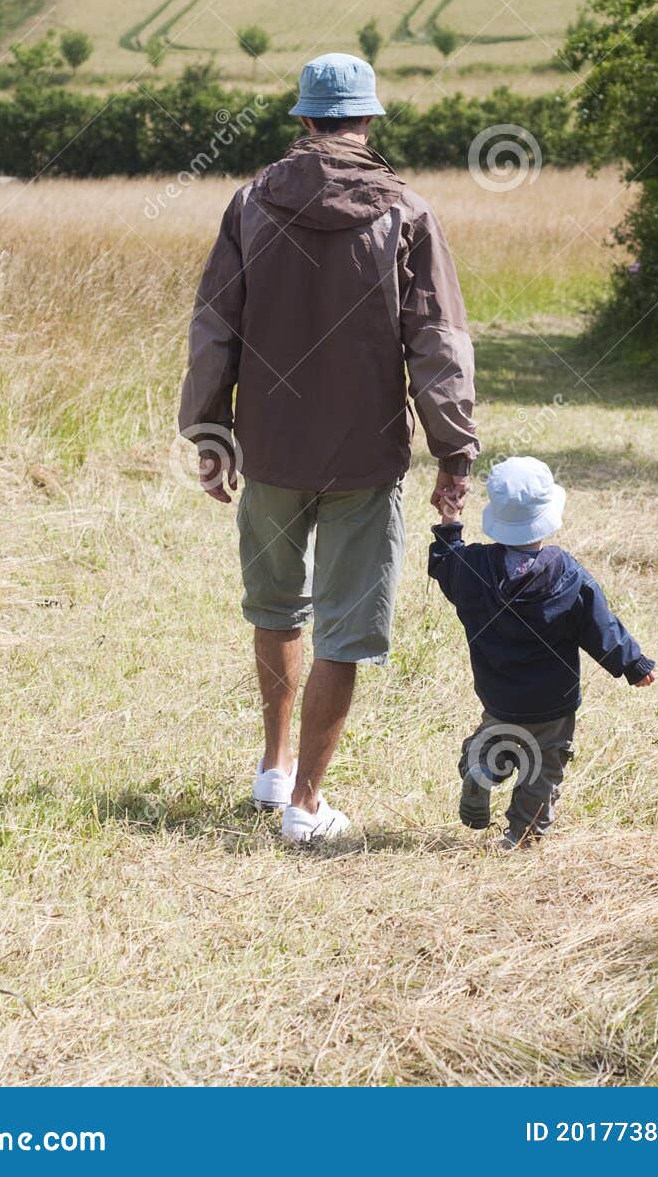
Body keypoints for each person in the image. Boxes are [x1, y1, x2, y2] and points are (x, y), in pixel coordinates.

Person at [179, 53, 479, 845]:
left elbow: (215, 329)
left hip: (269, 449)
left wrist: (209, 430)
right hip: (366, 455)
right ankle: (305, 805)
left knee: (276, 609)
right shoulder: (409, 212)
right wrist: (453, 450)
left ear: (304, 120)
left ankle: (273, 766)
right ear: (368, 121)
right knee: (345, 629)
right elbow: (437, 343)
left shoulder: (248, 205)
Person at [428, 456, 656, 847]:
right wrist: (632, 663)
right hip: (554, 704)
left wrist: (450, 520)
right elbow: (601, 626)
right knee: (542, 770)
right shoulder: (566, 573)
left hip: (499, 698)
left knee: (496, 742)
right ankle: (521, 835)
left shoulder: (474, 568)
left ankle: (483, 769)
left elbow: (447, 563)